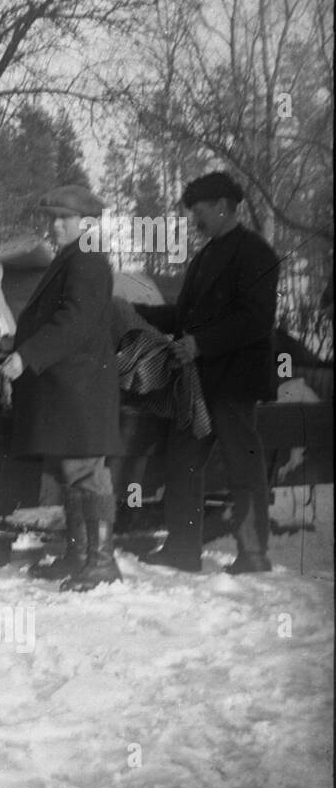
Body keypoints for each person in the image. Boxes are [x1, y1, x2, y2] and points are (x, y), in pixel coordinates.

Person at [134, 171, 279, 574]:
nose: (194, 221)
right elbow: (183, 316)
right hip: (197, 382)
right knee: (182, 462)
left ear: (222, 207)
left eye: (199, 212)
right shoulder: (205, 256)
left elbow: (256, 320)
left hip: (234, 383)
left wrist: (201, 343)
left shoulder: (256, 254)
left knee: (242, 465)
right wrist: (135, 313)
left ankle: (253, 554)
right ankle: (182, 548)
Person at [0, 184, 123, 591]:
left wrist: (26, 356)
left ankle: (101, 562)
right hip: (71, 387)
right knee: (73, 472)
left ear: (87, 223)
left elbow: (73, 323)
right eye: (53, 217)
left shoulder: (85, 259)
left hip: (80, 388)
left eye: (64, 218)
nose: (55, 225)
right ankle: (78, 556)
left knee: (87, 472)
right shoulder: (74, 257)